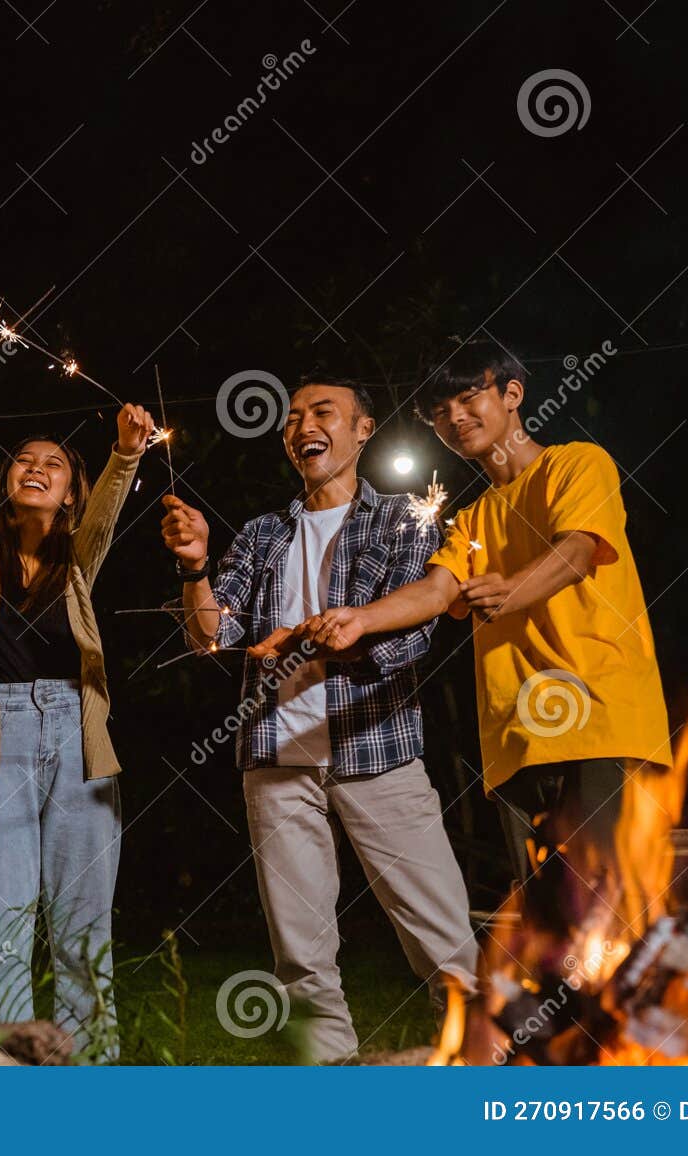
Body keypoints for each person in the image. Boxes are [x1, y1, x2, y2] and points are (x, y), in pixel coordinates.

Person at [253, 346, 672, 931]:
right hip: (516, 738)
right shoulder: (470, 519)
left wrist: (511, 589)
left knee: (612, 916)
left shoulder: (577, 463)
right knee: (550, 928)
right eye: (439, 411)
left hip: (600, 719)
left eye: (468, 397)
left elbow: (577, 550)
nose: (455, 417)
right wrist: (360, 619)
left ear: (512, 394)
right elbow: (435, 591)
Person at [161, 375, 478, 1064]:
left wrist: (326, 637)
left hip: (378, 751)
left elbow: (412, 638)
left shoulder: (402, 519)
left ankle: (482, 1075)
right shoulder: (263, 534)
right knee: (300, 957)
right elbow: (213, 635)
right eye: (292, 417)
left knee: (446, 941)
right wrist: (194, 568)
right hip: (276, 763)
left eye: (322, 412)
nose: (303, 425)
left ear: (363, 430)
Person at [0, 389, 151, 1060]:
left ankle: (88, 1067)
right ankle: (10, 1065)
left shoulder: (78, 559)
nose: (38, 468)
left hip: (80, 738)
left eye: (54, 464)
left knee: (83, 923)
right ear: (6, 481)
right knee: (2, 925)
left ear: (71, 492)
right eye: (25, 460)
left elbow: (106, 515)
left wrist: (125, 454)